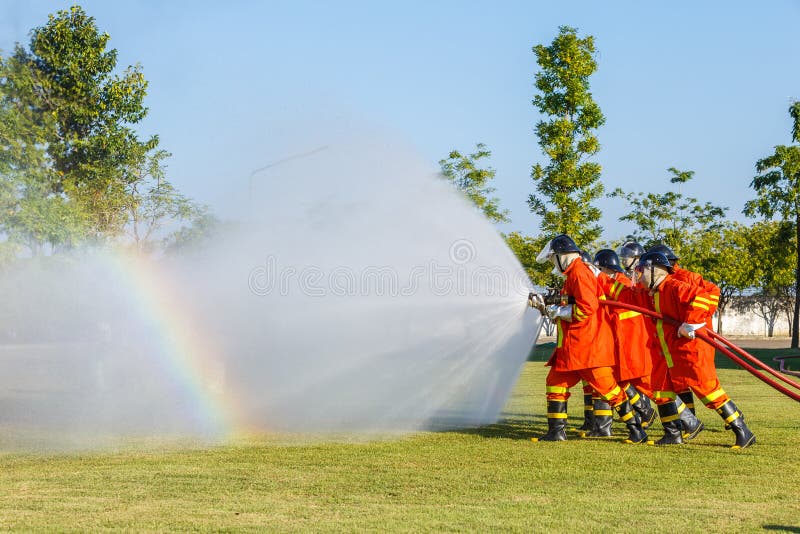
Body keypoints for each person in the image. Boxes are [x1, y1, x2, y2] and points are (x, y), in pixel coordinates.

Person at [608, 251, 755, 448]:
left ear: (654, 271)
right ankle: (672, 434)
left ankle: (742, 430)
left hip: (691, 348)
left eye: (641, 271)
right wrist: (599, 277)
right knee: (661, 391)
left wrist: (691, 323)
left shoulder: (674, 286)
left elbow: (702, 297)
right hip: (667, 350)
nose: (639, 275)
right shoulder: (649, 293)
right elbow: (626, 296)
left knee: (707, 390)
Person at [528, 235, 648, 444]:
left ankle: (636, 430)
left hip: (588, 348)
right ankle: (556, 432)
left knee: (609, 390)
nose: (551, 263)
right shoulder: (575, 273)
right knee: (554, 383)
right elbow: (572, 302)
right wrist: (549, 305)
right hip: (573, 348)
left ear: (561, 256)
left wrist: (557, 312)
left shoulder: (579, 273)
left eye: (552, 258)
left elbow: (587, 308)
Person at [593, 249, 656, 429]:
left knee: (648, 385)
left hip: (632, 341)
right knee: (620, 379)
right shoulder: (619, 281)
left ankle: (688, 421)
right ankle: (644, 411)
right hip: (622, 340)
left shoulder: (621, 283)